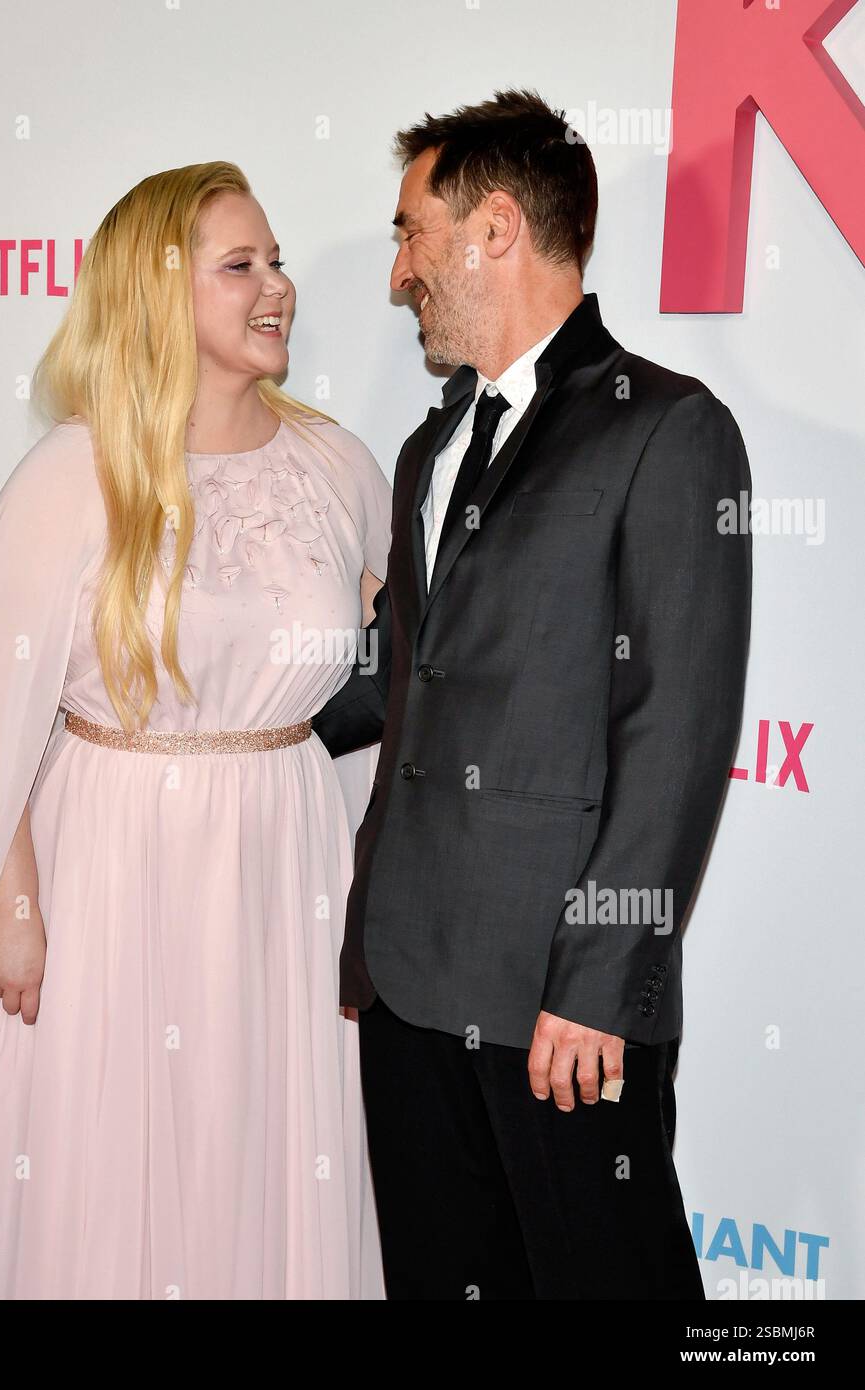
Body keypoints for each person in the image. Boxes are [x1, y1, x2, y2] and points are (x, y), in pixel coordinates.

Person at [0, 161, 390, 1299]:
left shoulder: (338, 468)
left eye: (274, 260)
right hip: (113, 867)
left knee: (266, 1150)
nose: (275, 286)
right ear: (156, 293)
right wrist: (13, 905)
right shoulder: (69, 478)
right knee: (111, 1156)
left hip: (287, 862)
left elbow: (390, 692)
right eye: (240, 267)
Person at [311, 89, 752, 1300]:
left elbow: (676, 728)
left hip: (557, 1009)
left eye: (410, 232)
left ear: (492, 227)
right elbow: (395, 687)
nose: (399, 272)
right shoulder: (425, 449)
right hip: (405, 988)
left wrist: (600, 986)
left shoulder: (668, 430)